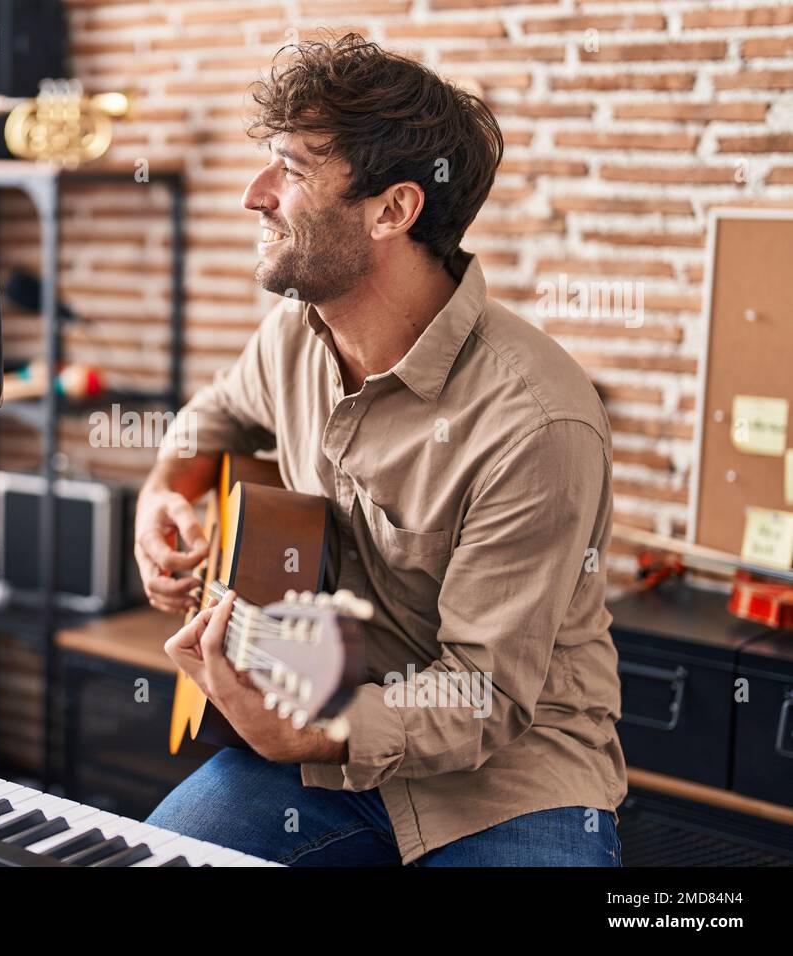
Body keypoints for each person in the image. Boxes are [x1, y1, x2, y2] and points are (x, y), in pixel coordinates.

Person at [134, 34, 626, 867]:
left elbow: (483, 695)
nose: (255, 196)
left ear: (393, 210)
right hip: (320, 753)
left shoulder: (538, 423)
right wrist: (163, 494)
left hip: (506, 783)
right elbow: (212, 417)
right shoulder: (293, 336)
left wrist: (316, 730)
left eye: (291, 170)